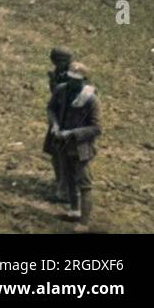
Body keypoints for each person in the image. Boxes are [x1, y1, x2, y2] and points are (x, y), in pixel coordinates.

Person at [47, 62, 101, 225]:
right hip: (62, 143)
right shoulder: (61, 90)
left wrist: (72, 133)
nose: (72, 83)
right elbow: (51, 109)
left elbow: (96, 128)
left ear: (84, 80)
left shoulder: (91, 100)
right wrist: (54, 125)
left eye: (76, 80)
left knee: (84, 184)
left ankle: (84, 223)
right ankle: (74, 211)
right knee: (68, 177)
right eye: (70, 78)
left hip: (81, 147)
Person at [43, 47, 75, 202]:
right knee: (55, 153)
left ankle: (66, 192)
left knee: (66, 156)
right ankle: (60, 184)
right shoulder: (57, 73)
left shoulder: (75, 76)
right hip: (58, 118)